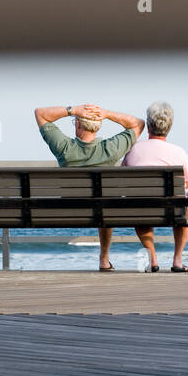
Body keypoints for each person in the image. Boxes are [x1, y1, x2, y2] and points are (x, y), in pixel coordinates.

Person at [33, 103, 144, 270]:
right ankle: (104, 259)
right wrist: (106, 113)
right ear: (97, 126)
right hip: (103, 211)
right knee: (105, 206)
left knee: (103, 204)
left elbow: (40, 113)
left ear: (78, 124)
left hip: (71, 210)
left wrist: (73, 110)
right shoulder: (111, 149)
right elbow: (138, 124)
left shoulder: (65, 148)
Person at [107, 100, 188, 272]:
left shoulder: (133, 149)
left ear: (148, 126)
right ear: (169, 127)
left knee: (140, 209)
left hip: (142, 207)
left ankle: (153, 259)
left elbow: (124, 179)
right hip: (171, 209)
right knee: (183, 209)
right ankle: (177, 261)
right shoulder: (178, 151)